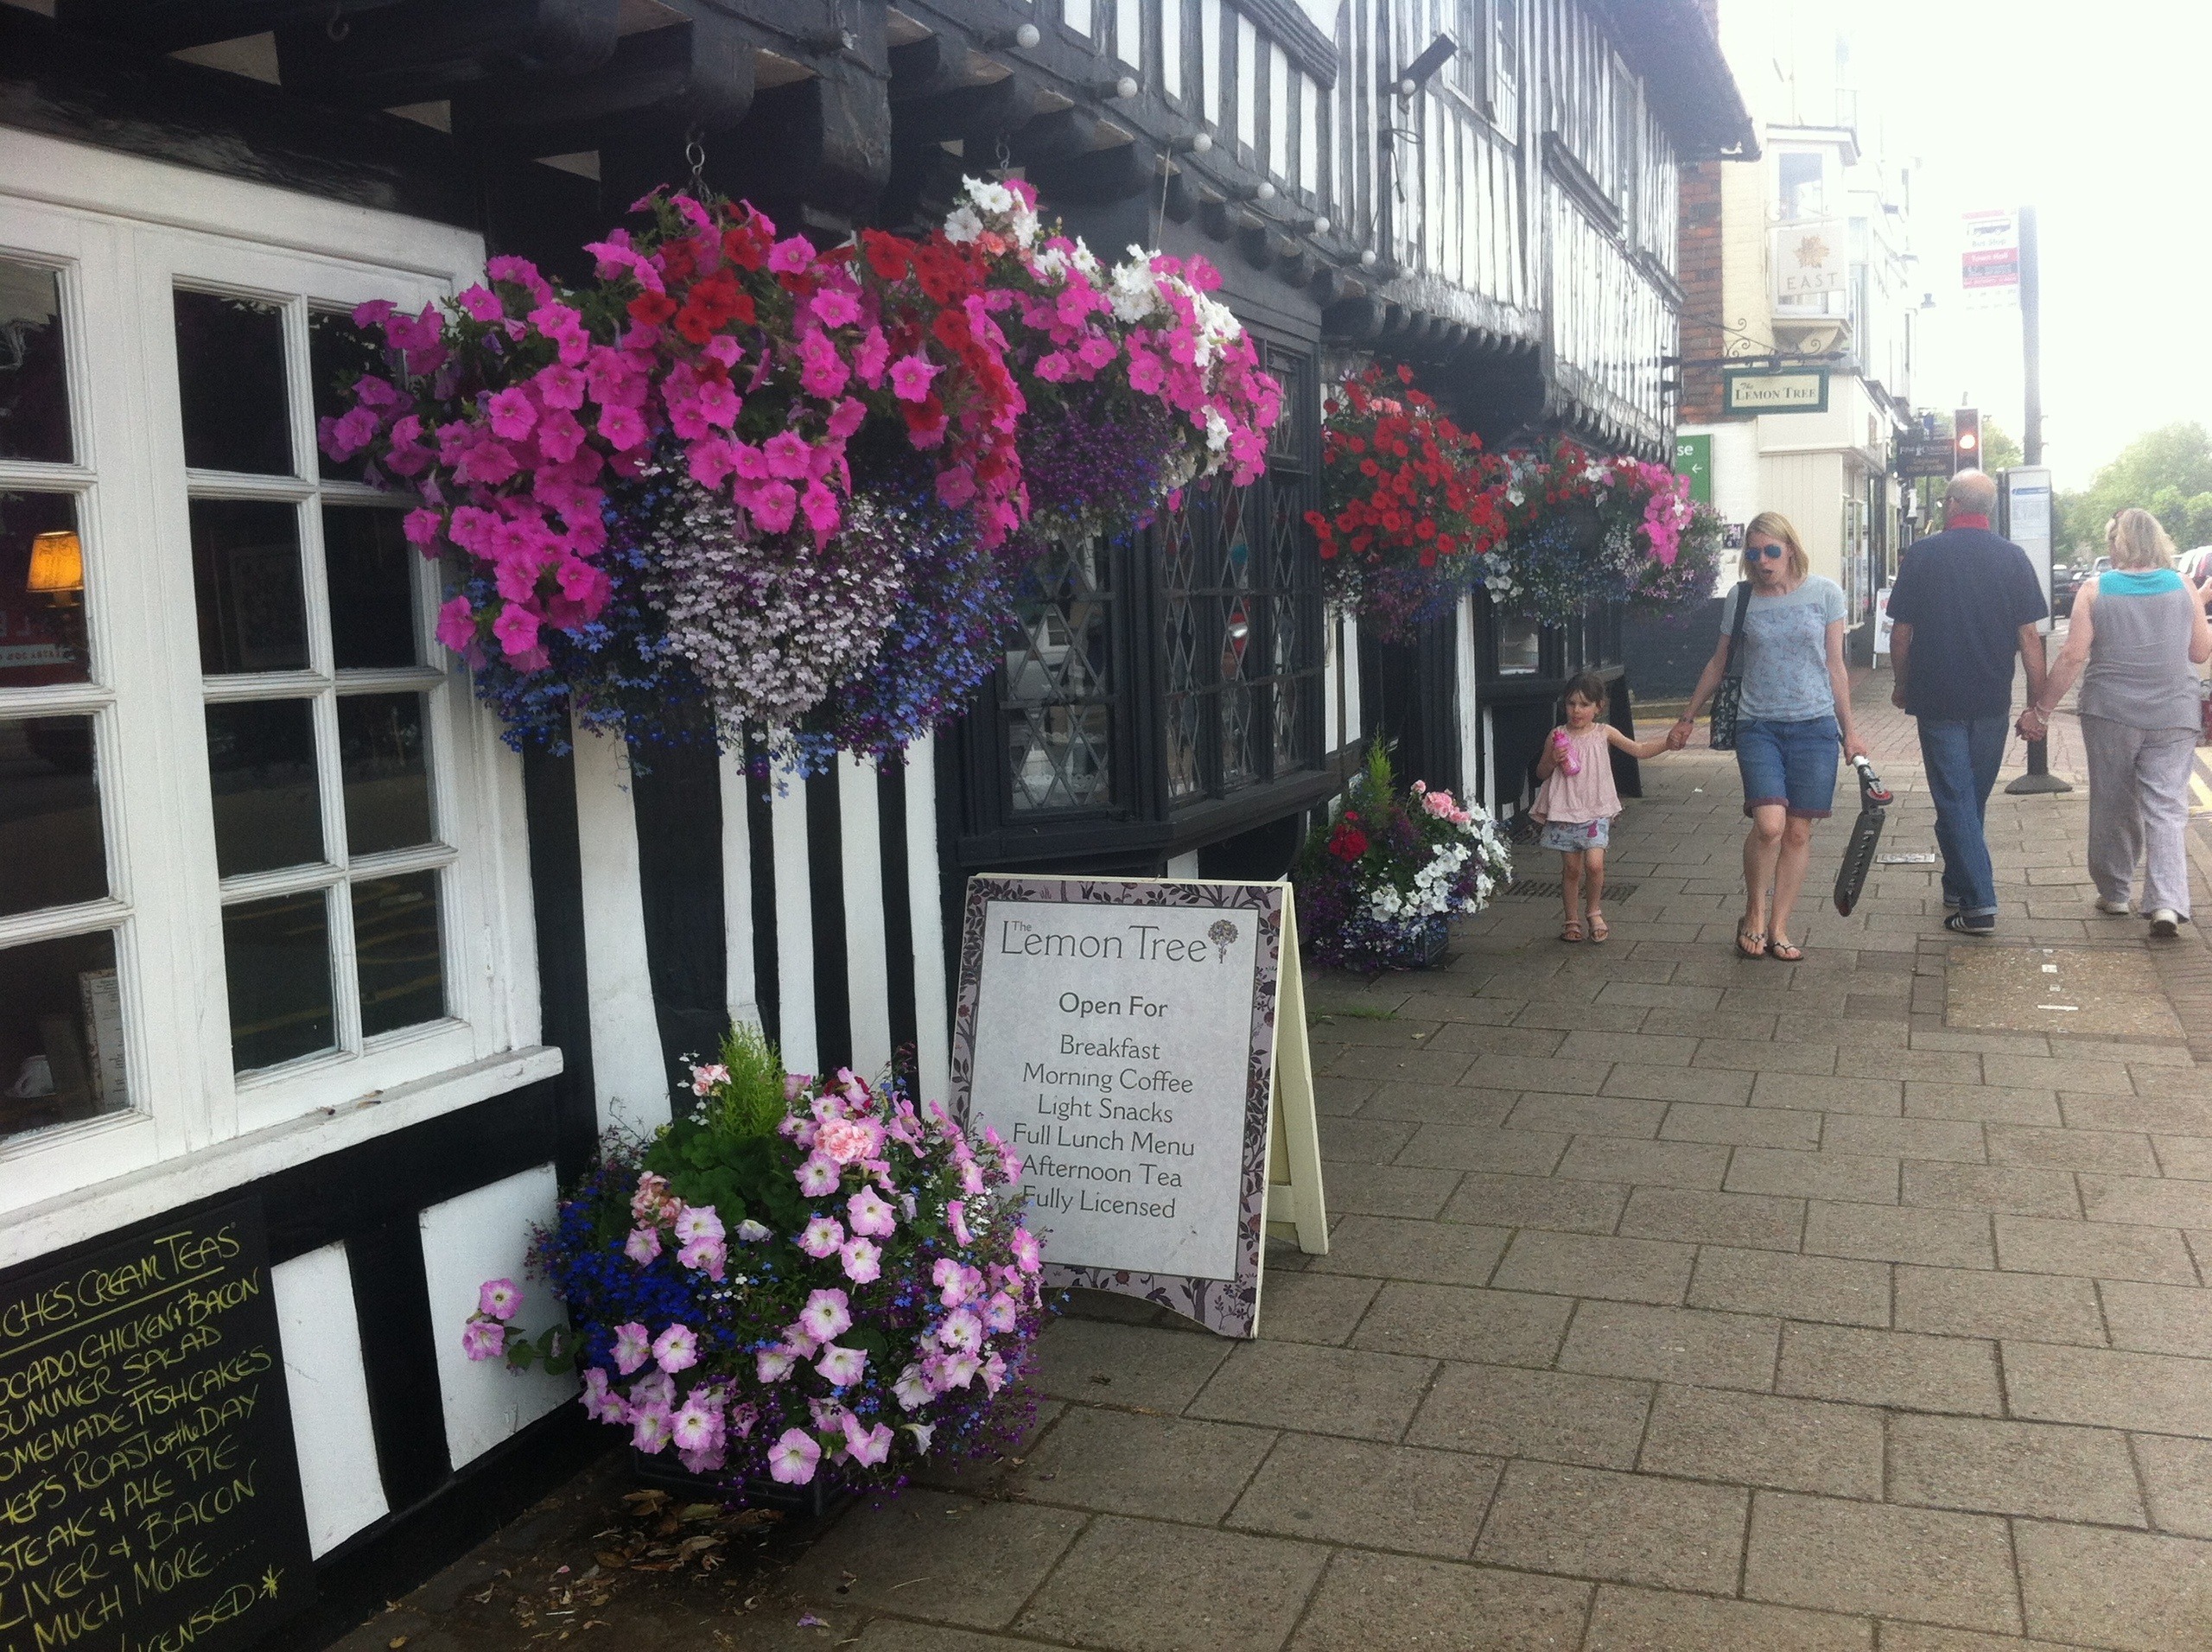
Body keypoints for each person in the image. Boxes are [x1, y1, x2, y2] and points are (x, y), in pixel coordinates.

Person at [1675, 511, 1867, 961]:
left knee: (1798, 833)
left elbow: (1836, 667)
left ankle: (1779, 926)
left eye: (1771, 551)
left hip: (1815, 727)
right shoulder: (1741, 599)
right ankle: (1754, 913)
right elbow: (1718, 662)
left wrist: (1850, 733)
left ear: (1791, 548)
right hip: (1757, 724)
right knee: (1769, 826)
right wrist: (1688, 716)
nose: (1763, 561)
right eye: (1754, 553)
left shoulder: (1825, 593)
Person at [2018, 508, 2211, 937]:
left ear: (2116, 544)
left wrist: (2042, 710)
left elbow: (2072, 657)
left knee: (2113, 800)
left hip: (2111, 712)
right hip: (2174, 713)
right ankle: (2167, 903)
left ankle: (2116, 892)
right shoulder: (2184, 586)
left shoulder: (2095, 590)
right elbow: (2200, 653)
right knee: (2167, 808)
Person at [1884, 470, 2049, 936]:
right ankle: (1957, 884)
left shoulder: (1923, 554)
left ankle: (1979, 905)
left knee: (1955, 798)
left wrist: (1902, 682)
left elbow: (1901, 632)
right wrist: (2037, 706)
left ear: (1953, 503)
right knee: (1969, 799)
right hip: (1992, 700)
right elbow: (2030, 638)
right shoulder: (2013, 558)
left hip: (1937, 699)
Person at [1533, 670, 1681, 944]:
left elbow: (1638, 749)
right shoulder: (1557, 735)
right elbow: (1541, 772)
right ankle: (1571, 920)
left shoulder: (1604, 733)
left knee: (1595, 863)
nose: (1577, 710)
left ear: (1599, 707)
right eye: (1571, 703)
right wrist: (1553, 759)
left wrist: (1667, 744)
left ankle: (1594, 912)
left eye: (1585, 704)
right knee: (1572, 870)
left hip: (1596, 808)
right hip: (1566, 809)